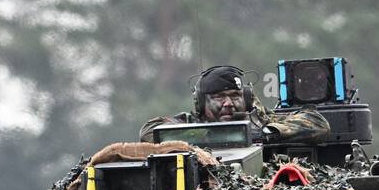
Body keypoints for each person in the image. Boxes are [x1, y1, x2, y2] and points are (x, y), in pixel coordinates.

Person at [139, 65, 329, 145]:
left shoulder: (261, 121)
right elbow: (148, 132)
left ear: (246, 98)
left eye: (235, 96)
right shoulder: (189, 123)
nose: (229, 103)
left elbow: (317, 122)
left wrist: (267, 133)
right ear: (202, 102)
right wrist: (205, 135)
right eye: (219, 97)